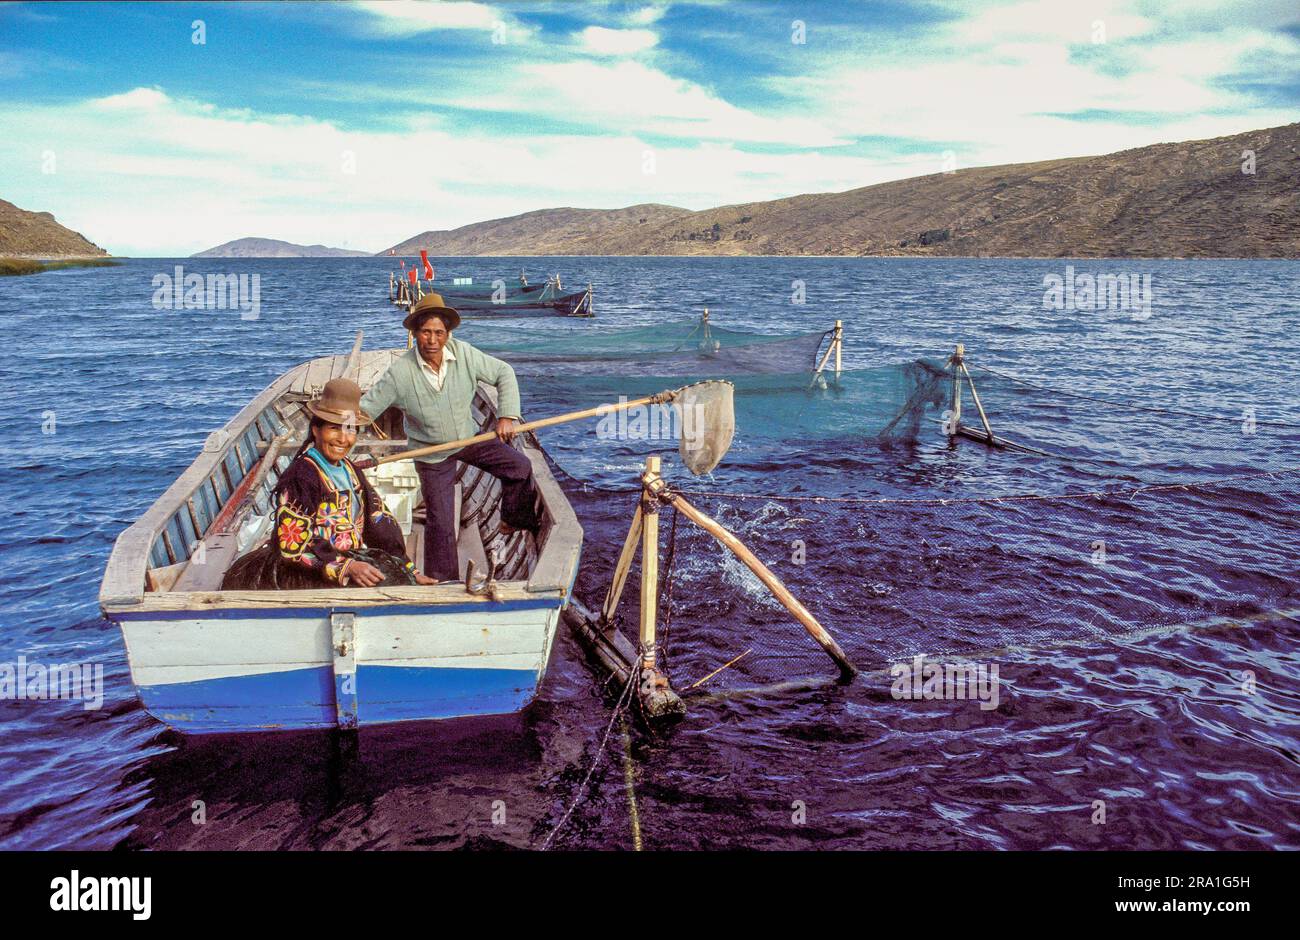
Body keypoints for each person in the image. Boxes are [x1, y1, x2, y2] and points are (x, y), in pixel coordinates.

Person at [360, 292, 540, 582]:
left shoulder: (465, 354)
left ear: (448, 333)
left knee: (520, 467)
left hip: (469, 440)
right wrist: (338, 428)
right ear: (416, 333)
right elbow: (365, 411)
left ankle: (510, 520)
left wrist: (507, 415)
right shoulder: (400, 373)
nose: (432, 340)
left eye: (439, 333)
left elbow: (504, 373)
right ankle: (443, 583)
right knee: (441, 524)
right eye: (426, 332)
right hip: (431, 454)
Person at [222, 377, 437, 589]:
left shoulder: (350, 470)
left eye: (350, 429)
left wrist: (408, 569)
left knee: (395, 579)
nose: (343, 439)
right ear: (316, 429)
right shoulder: (301, 476)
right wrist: (345, 567)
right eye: (334, 428)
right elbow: (292, 546)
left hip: (345, 558)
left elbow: (379, 523)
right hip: (303, 569)